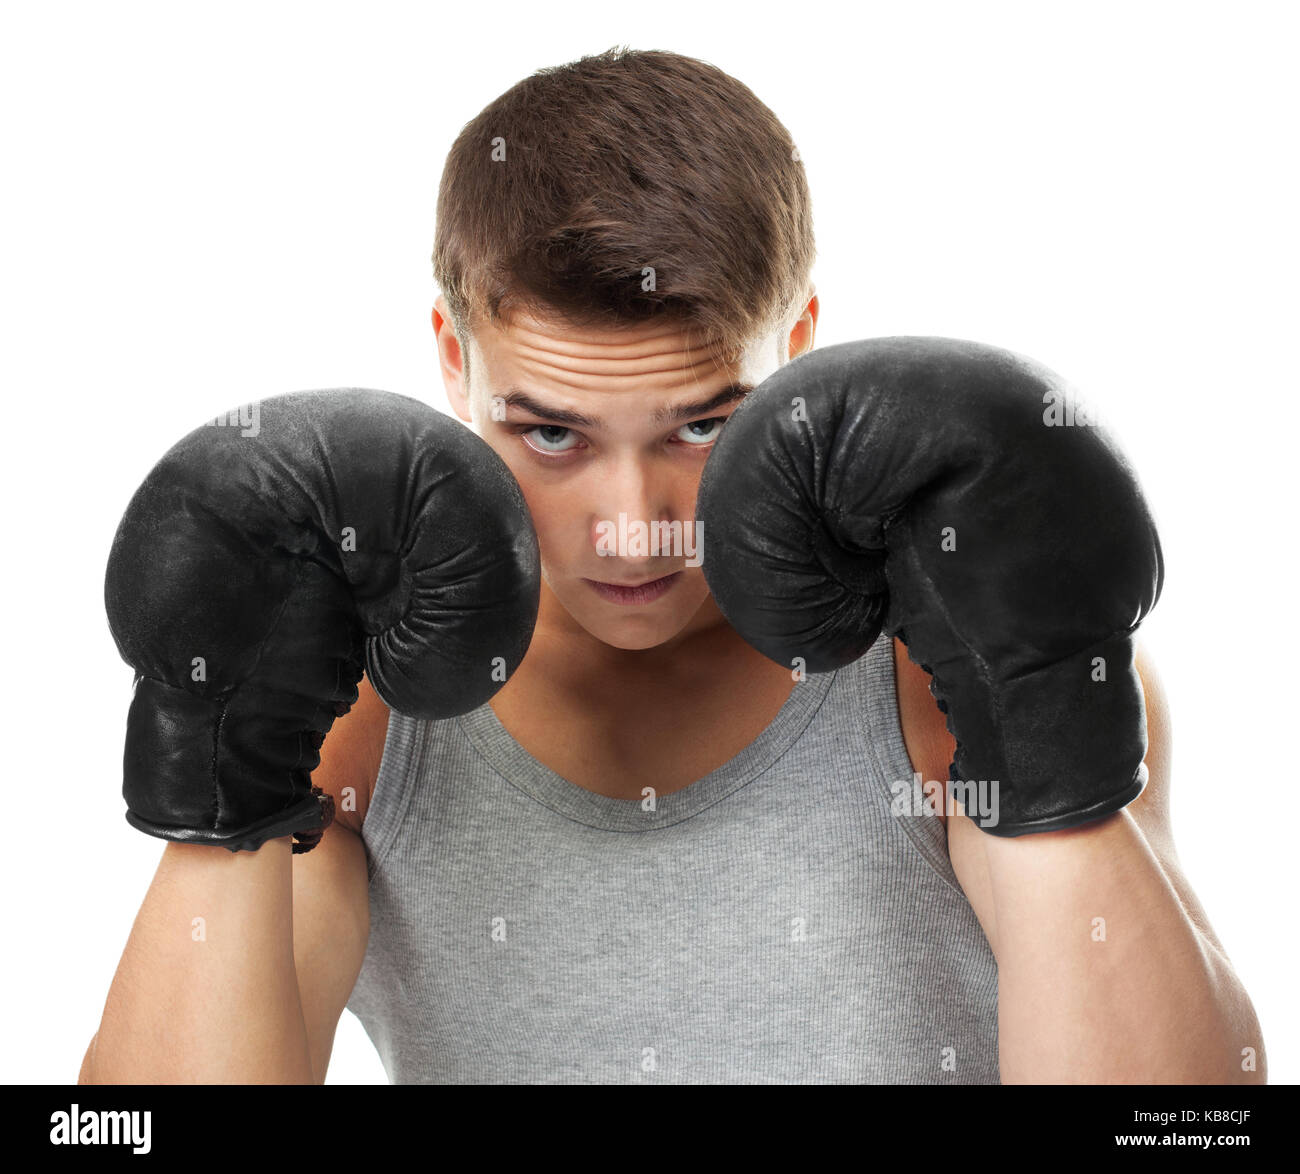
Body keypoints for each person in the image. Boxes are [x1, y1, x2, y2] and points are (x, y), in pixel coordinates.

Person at [82, 45, 1265, 1085]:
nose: (632, 524)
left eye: (701, 424)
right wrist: (214, 766)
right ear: (454, 360)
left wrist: (1047, 711)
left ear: (798, 349)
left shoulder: (932, 665)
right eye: (551, 432)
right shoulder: (368, 710)